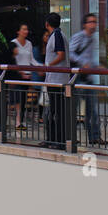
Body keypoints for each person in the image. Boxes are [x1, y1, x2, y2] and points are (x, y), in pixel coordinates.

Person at [69, 13, 105, 146]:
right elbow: (70, 52)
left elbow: (90, 58)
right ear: (85, 24)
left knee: (92, 110)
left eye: (95, 22)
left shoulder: (93, 39)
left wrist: (96, 66)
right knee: (74, 109)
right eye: (90, 22)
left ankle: (95, 136)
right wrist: (82, 63)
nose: (93, 25)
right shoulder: (79, 37)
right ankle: (71, 136)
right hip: (78, 77)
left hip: (88, 78)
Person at [40, 14, 67, 149]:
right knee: (54, 110)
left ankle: (59, 140)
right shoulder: (57, 35)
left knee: (57, 111)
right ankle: (53, 139)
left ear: (47, 24)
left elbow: (61, 55)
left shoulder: (56, 36)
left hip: (57, 80)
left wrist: (48, 65)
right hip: (55, 79)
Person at [10, 23, 35, 131]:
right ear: (18, 31)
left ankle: (21, 120)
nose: (26, 31)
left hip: (27, 75)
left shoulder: (29, 43)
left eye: (27, 29)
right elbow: (12, 60)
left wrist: (42, 67)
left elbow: (32, 59)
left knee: (23, 98)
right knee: (18, 98)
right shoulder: (13, 43)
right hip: (17, 74)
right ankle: (18, 121)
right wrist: (20, 72)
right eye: (23, 29)